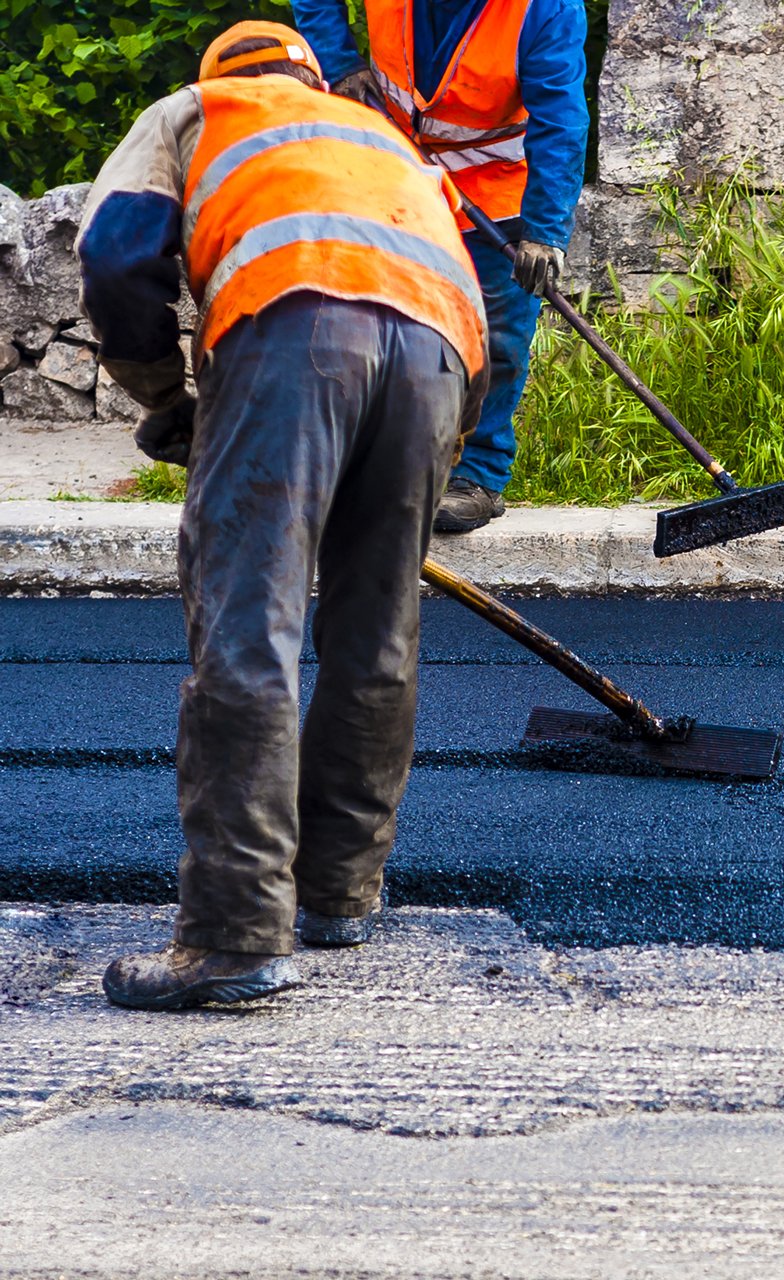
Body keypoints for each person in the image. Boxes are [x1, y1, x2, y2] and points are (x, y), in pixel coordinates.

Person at [78, 21, 488, 1010]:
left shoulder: (198, 111)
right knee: (376, 630)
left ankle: (233, 932)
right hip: (442, 360)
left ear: (219, 71)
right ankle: (339, 892)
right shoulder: (373, 133)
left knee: (249, 629)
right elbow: (459, 280)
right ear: (311, 75)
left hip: (295, 329)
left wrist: (169, 401)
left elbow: (117, 255)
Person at [290, 0, 589, 532]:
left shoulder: (545, 9)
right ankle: (383, 462)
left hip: (497, 183)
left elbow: (560, 118)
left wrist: (544, 233)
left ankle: (478, 476)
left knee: (496, 335)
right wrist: (340, 64)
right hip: (398, 168)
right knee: (383, 321)